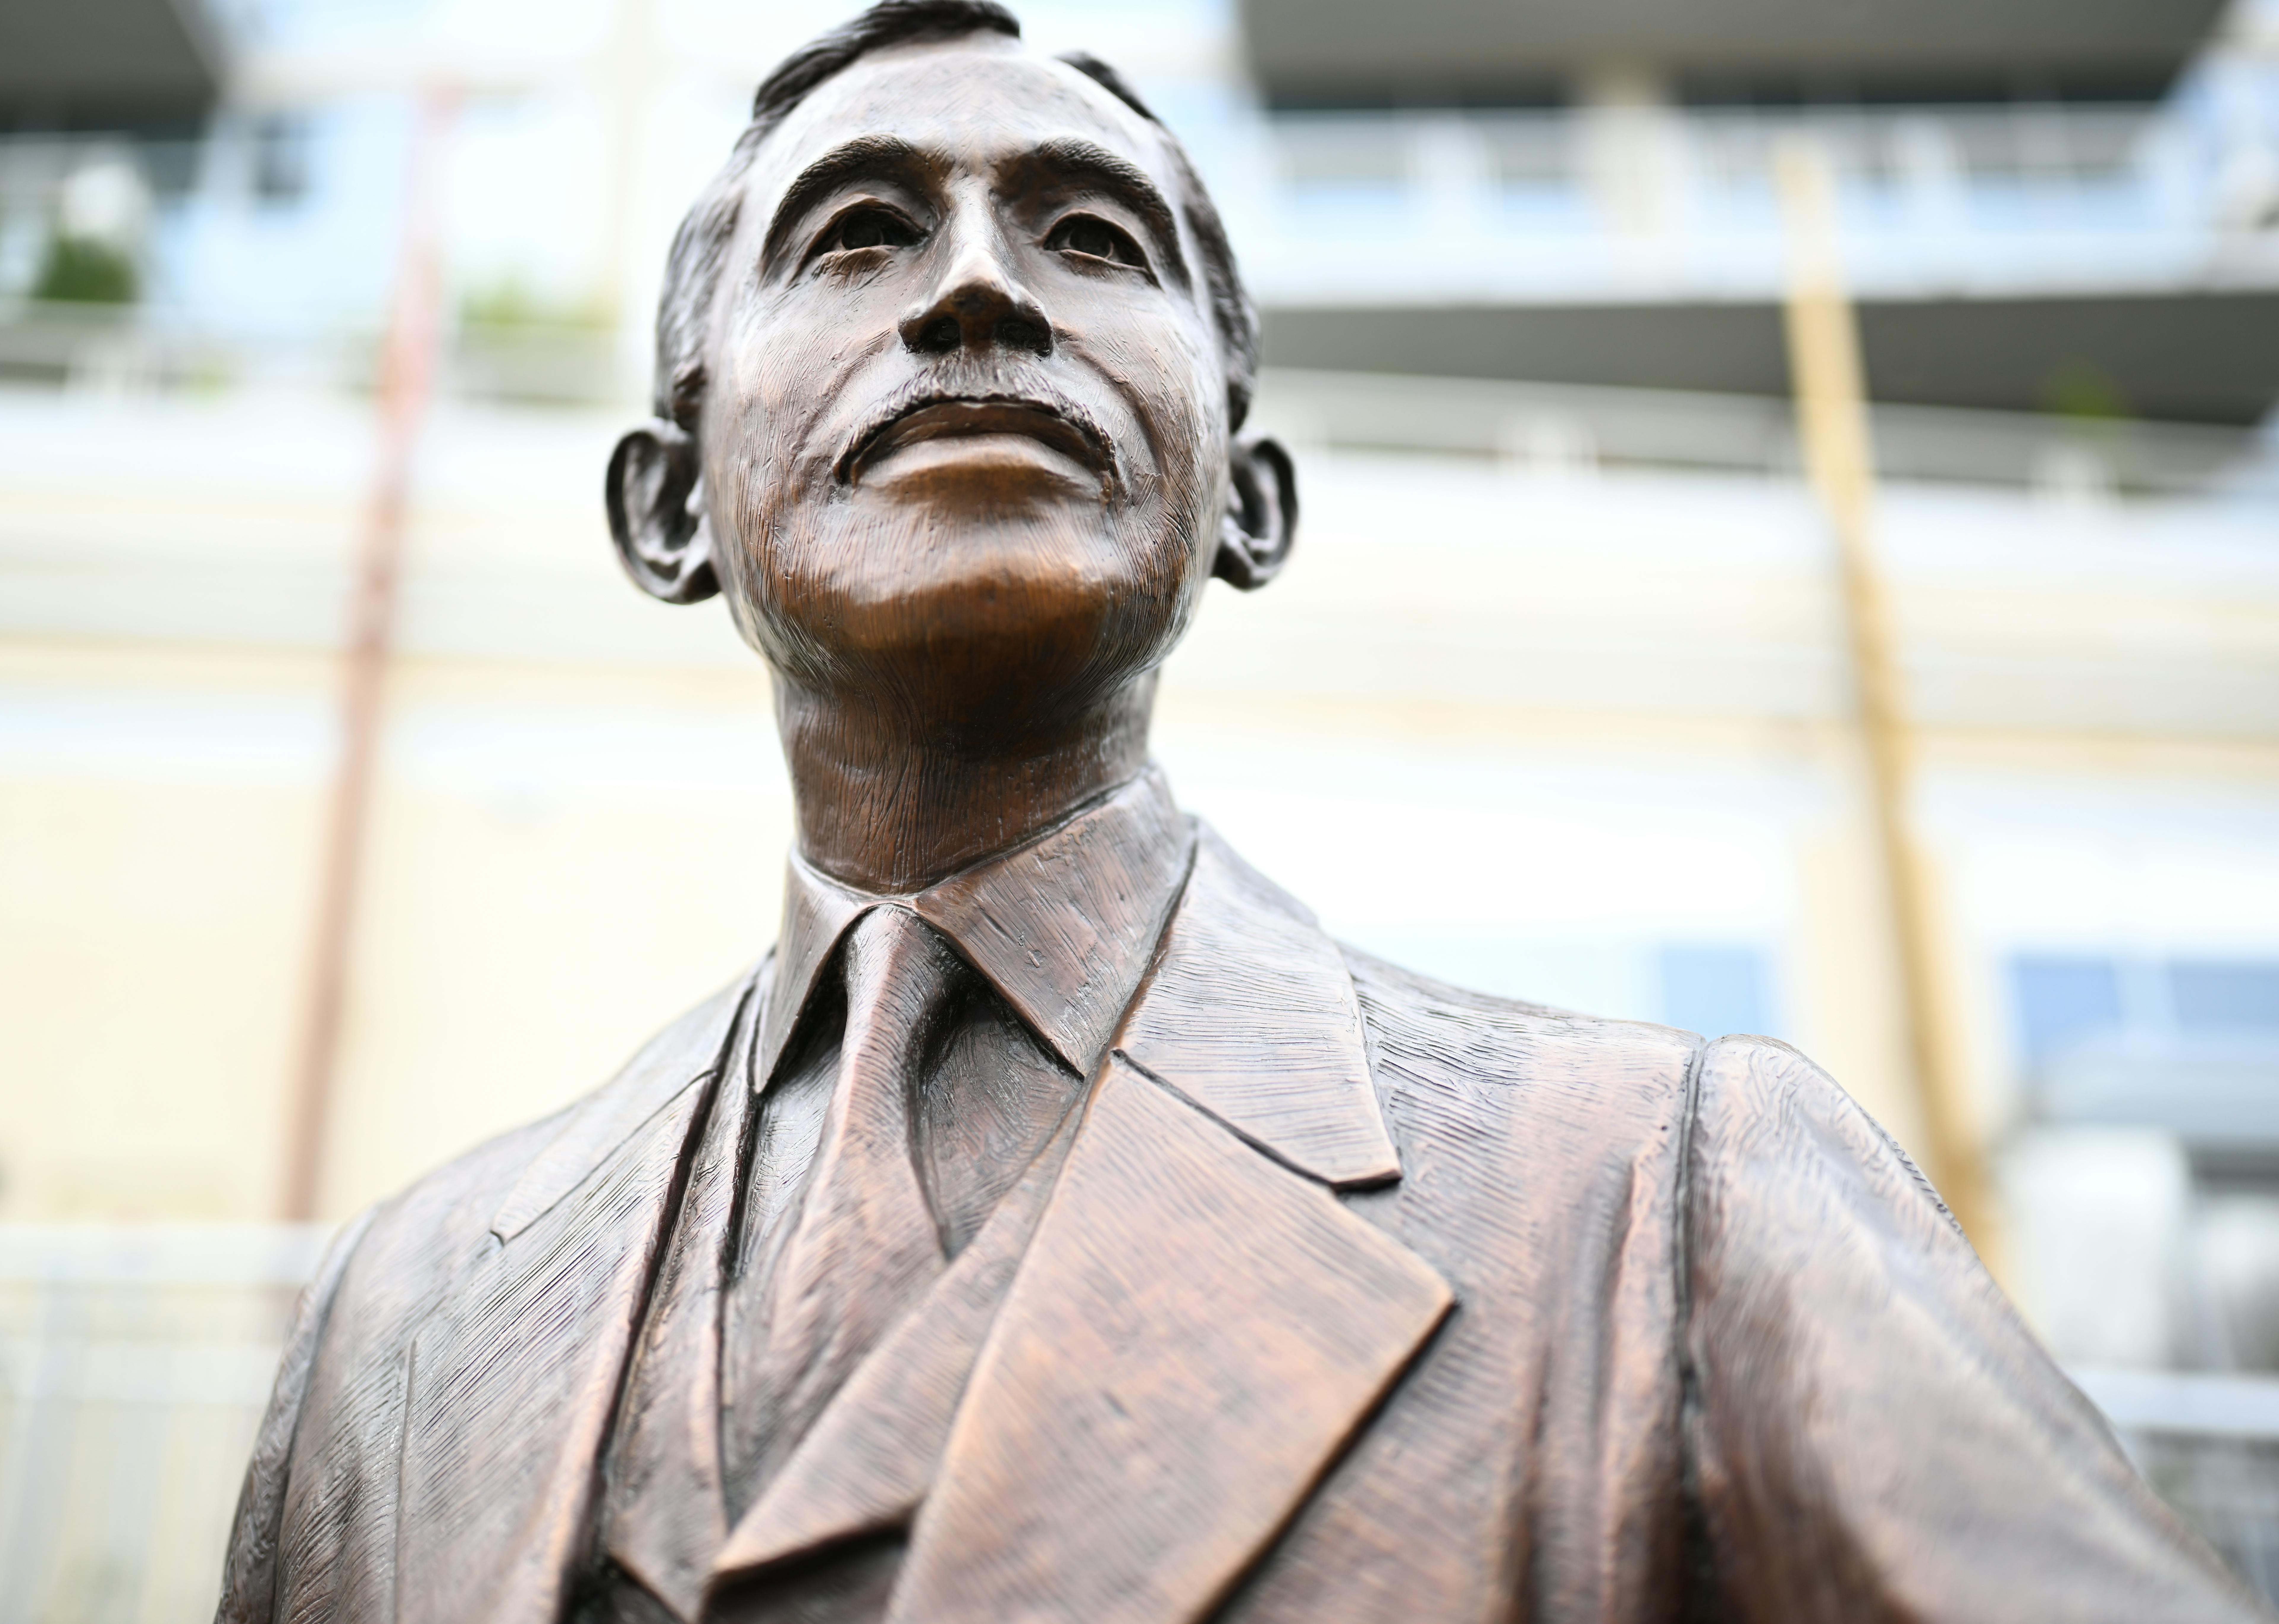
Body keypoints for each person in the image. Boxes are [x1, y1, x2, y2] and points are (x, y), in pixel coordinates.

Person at [218, 4, 2268, 1620]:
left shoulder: (1674, 1191)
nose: (976, 296)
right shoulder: (395, 1327)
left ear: (1245, 503)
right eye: (856, 232)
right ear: (669, 509)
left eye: (1090, 239)